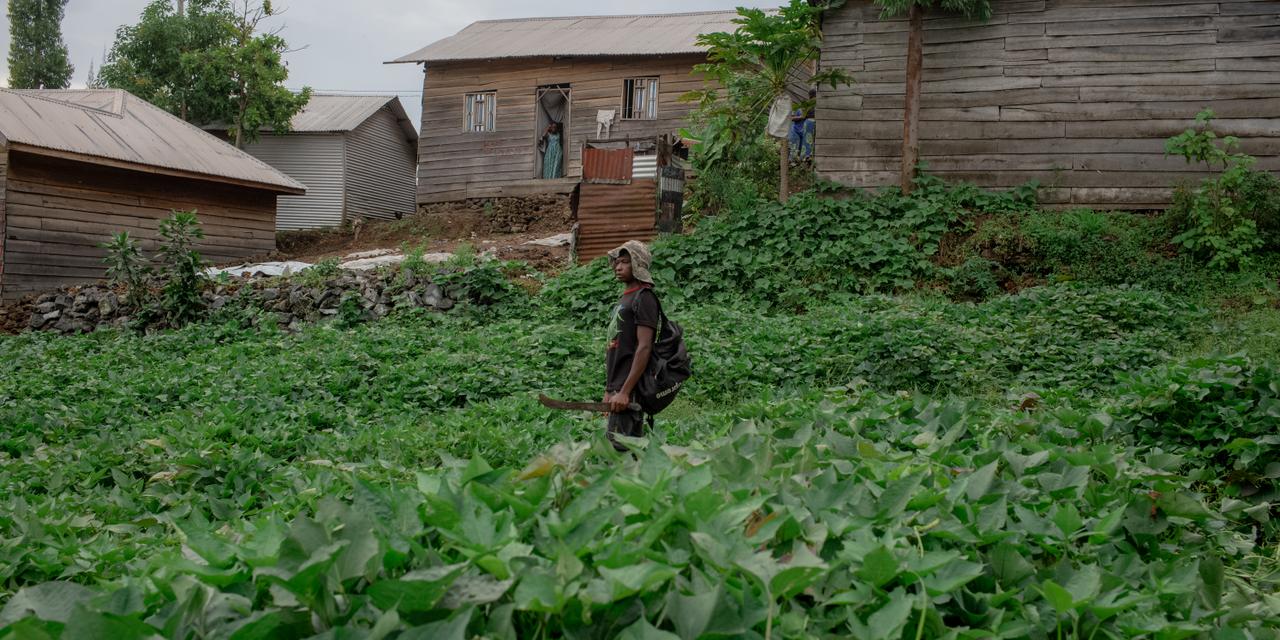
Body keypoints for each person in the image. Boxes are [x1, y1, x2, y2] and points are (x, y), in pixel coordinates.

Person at [603, 240, 659, 451]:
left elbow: (644, 347)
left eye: (625, 262)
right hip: (618, 387)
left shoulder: (644, 298)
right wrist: (610, 389)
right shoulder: (624, 299)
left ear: (637, 264)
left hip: (631, 389)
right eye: (617, 262)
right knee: (619, 450)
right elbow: (617, 349)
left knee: (621, 453)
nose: (618, 267)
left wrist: (625, 391)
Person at [789, 89, 817, 161]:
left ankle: (803, 157)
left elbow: (803, 116)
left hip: (805, 125)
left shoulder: (807, 104)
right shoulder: (815, 103)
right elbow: (800, 117)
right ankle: (805, 156)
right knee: (808, 141)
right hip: (805, 125)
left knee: (806, 141)